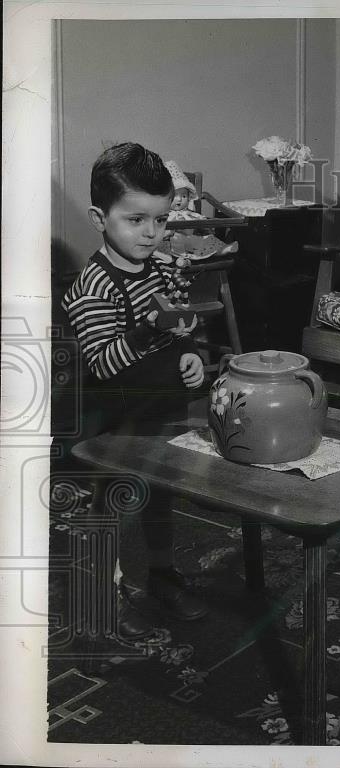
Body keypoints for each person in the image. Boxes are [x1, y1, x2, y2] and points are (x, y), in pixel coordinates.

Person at [62, 142, 209, 641]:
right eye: (136, 220)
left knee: (161, 497)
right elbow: (103, 363)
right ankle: (104, 591)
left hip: (160, 409)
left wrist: (190, 353)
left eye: (161, 220)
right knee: (115, 507)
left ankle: (162, 575)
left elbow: (183, 327)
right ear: (99, 219)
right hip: (113, 421)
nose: (151, 233)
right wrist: (147, 328)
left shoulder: (164, 269)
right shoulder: (93, 287)